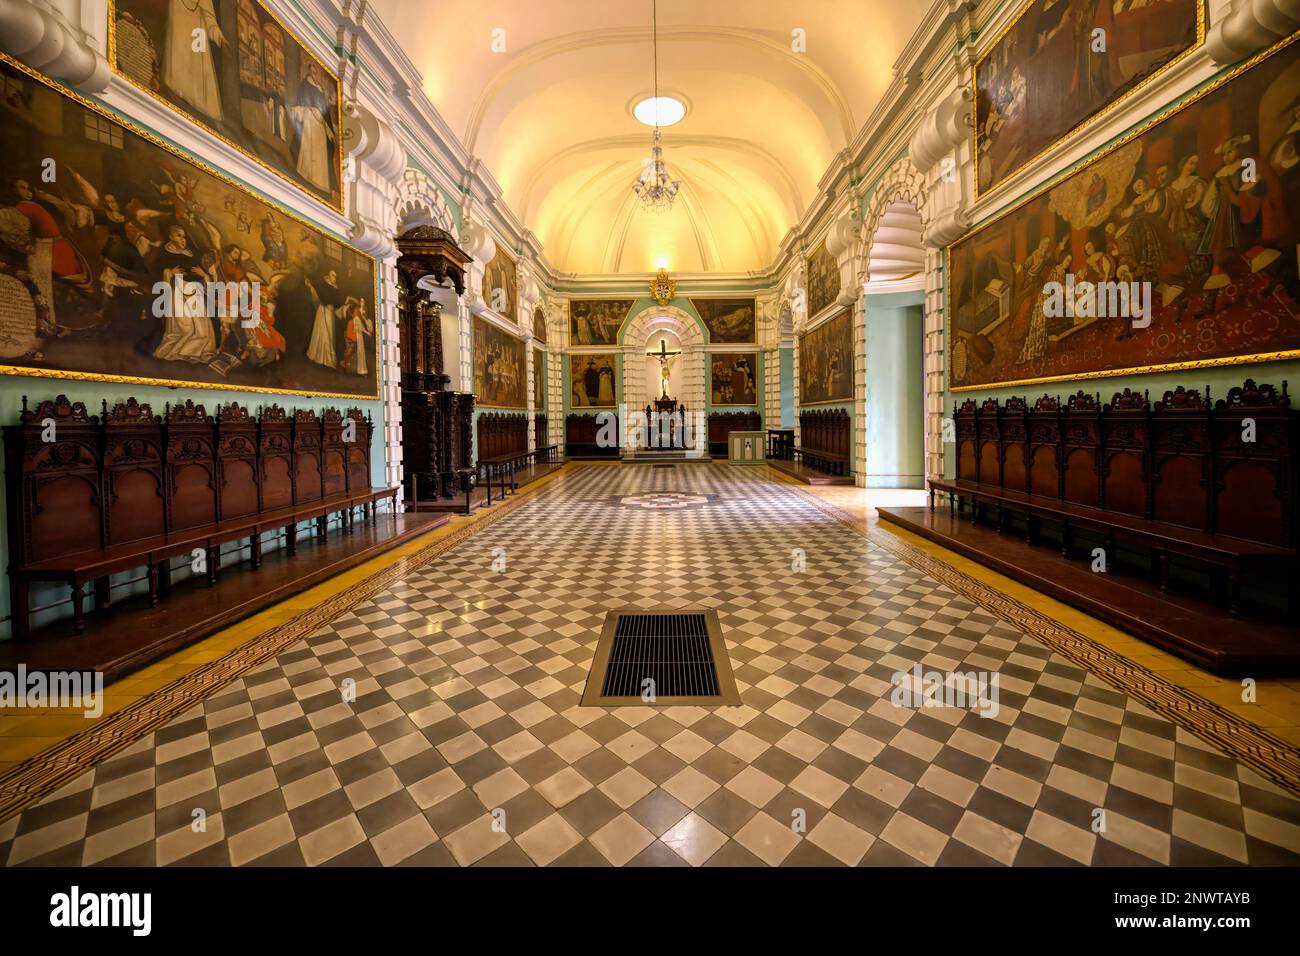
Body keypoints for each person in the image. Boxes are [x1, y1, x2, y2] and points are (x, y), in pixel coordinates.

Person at [162, 0, 225, 121]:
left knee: (198, 72)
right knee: (177, 71)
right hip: (179, 37)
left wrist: (218, 36)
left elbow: (210, 21)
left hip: (197, 40)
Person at [305, 268, 344, 367]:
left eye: (335, 276)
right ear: (328, 276)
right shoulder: (324, 285)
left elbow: (337, 302)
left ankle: (327, 359)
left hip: (330, 311)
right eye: (332, 275)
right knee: (320, 333)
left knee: (329, 334)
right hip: (323, 311)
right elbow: (321, 296)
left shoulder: (336, 288)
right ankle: (321, 358)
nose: (334, 277)